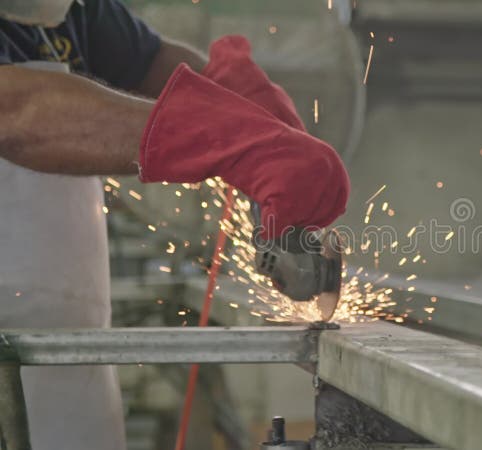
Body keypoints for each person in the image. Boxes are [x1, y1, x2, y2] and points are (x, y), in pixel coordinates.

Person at [0, 0, 350, 448]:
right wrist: (229, 139)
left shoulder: (63, 8)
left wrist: (239, 99)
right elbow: (16, 112)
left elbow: (150, 61)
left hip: (69, 355)